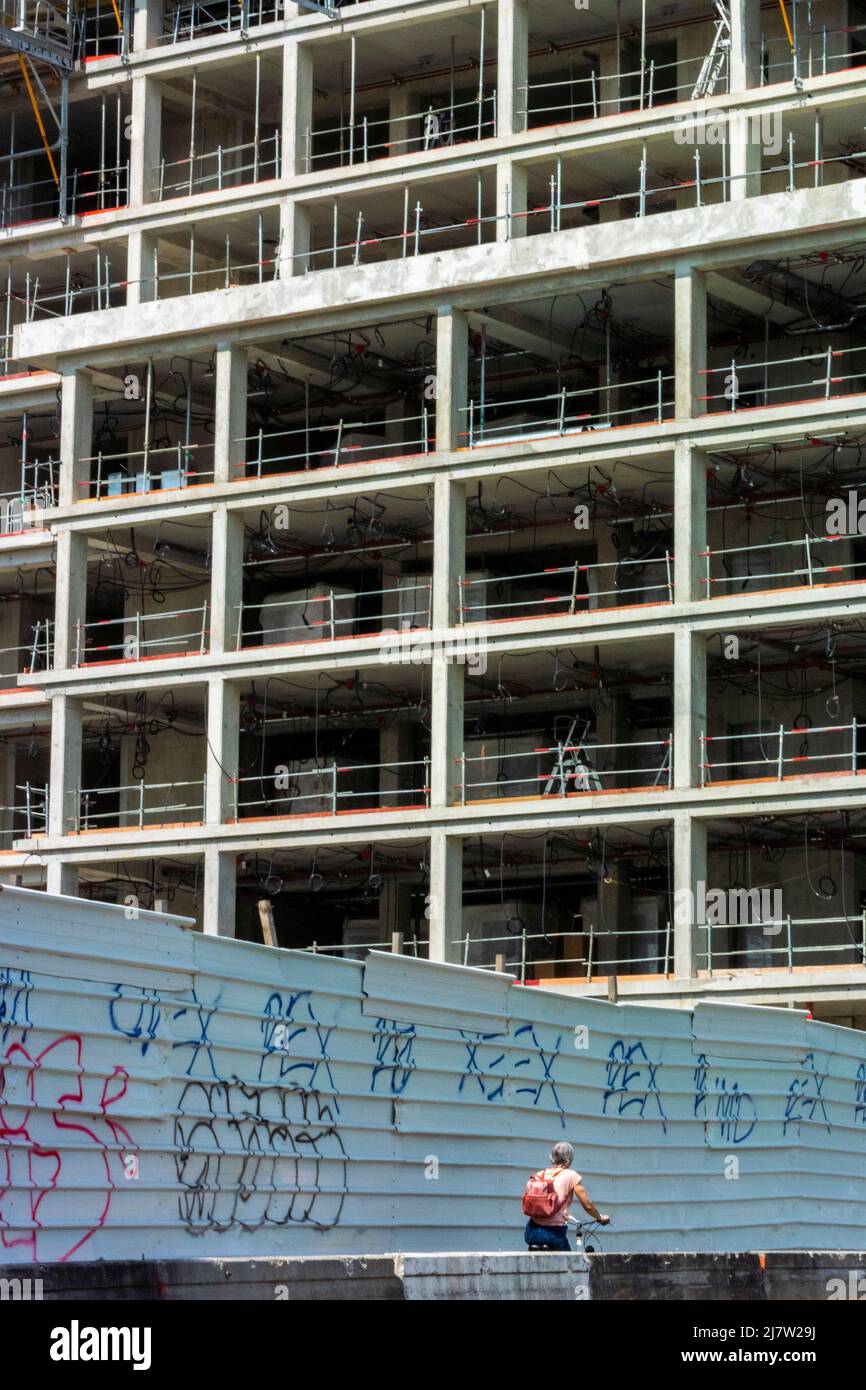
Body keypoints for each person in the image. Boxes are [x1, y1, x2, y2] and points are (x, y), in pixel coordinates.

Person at [523, 1141, 610, 1252]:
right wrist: (599, 1217)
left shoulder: (539, 1175)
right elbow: (587, 1204)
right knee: (571, 1266)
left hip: (531, 1232)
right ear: (569, 1160)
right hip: (553, 1234)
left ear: (551, 1158)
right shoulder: (571, 1175)